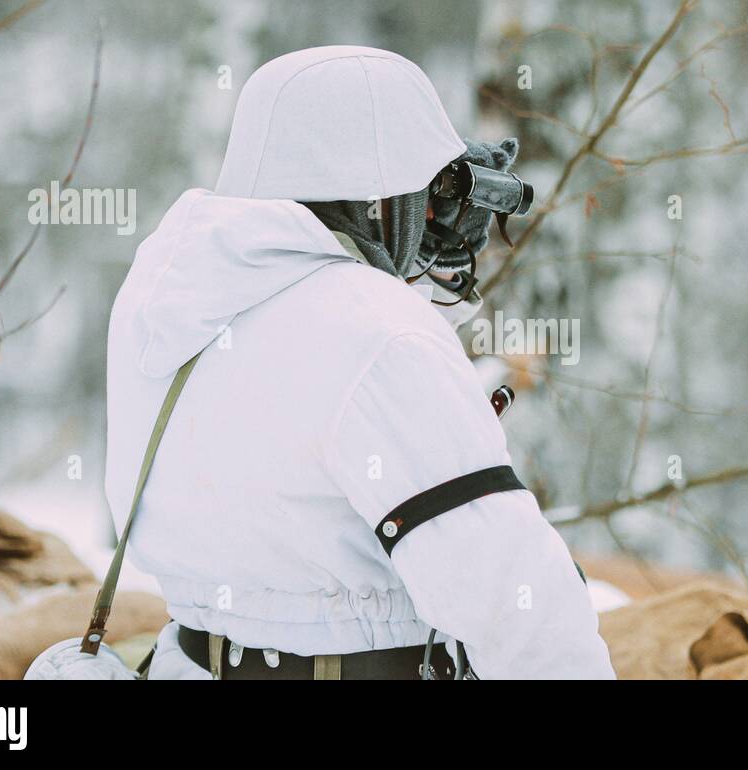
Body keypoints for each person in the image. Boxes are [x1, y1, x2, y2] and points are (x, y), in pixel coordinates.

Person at [103, 46, 615, 679]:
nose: (433, 210)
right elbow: (515, 602)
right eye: (423, 192)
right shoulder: (383, 336)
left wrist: (414, 268)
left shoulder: (168, 300)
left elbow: (320, 366)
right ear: (381, 196)